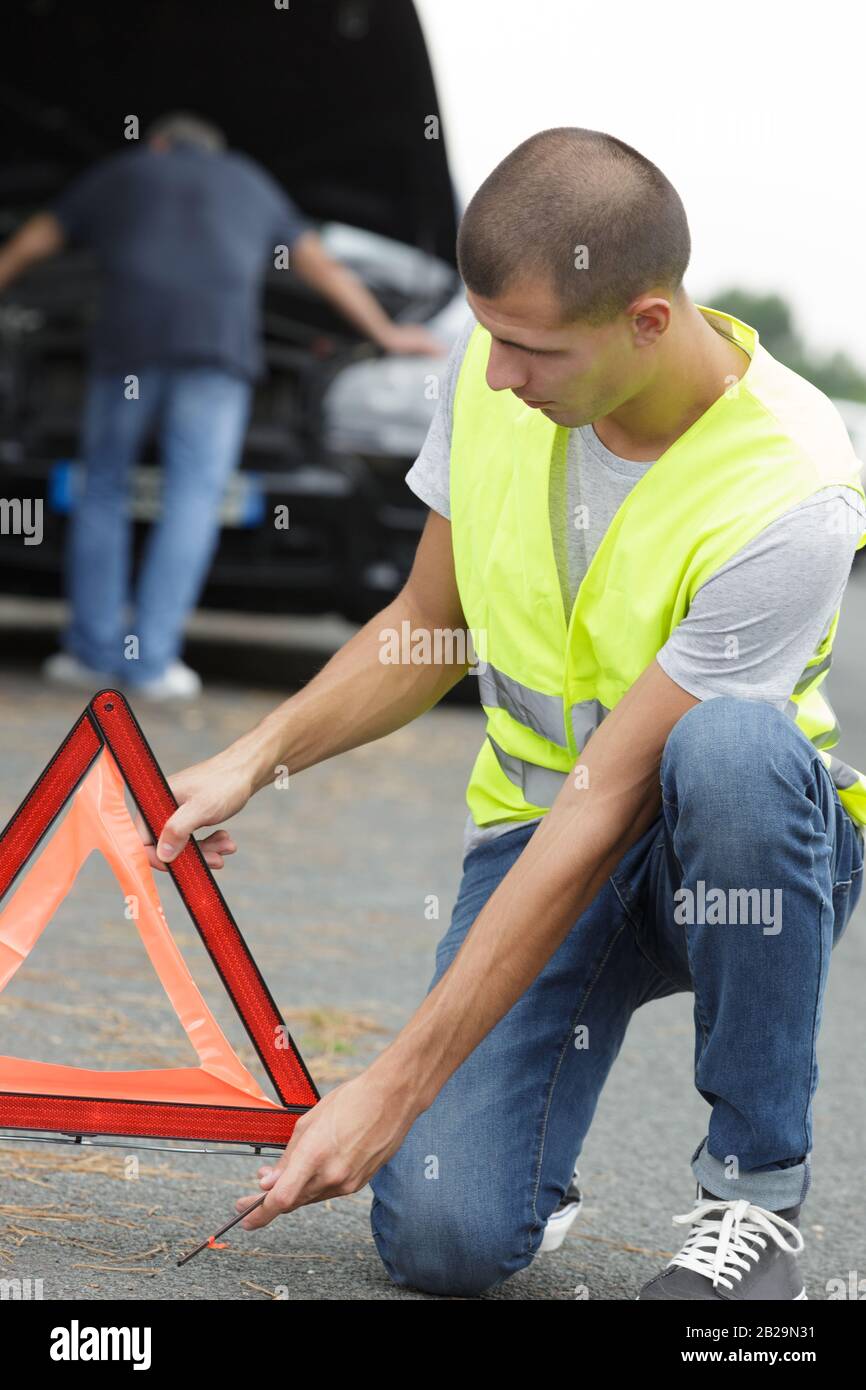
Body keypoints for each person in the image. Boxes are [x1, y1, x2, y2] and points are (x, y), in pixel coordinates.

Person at [134, 128, 866, 1300]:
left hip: (715, 854)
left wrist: (388, 1086)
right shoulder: (497, 375)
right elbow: (426, 626)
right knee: (439, 1239)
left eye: (529, 349)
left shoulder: (791, 490)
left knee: (731, 750)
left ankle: (753, 1197)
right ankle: (522, 1157)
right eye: (489, 337)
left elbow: (606, 801)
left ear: (645, 321)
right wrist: (251, 758)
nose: (493, 379)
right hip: (534, 837)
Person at [0, 111, 445, 700]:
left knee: (102, 488)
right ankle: (153, 662)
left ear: (157, 144)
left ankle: (91, 652)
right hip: (214, 356)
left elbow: (34, 239)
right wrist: (386, 334)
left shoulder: (124, 171)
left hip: (127, 349)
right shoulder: (249, 181)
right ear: (217, 150)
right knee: (194, 498)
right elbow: (323, 268)